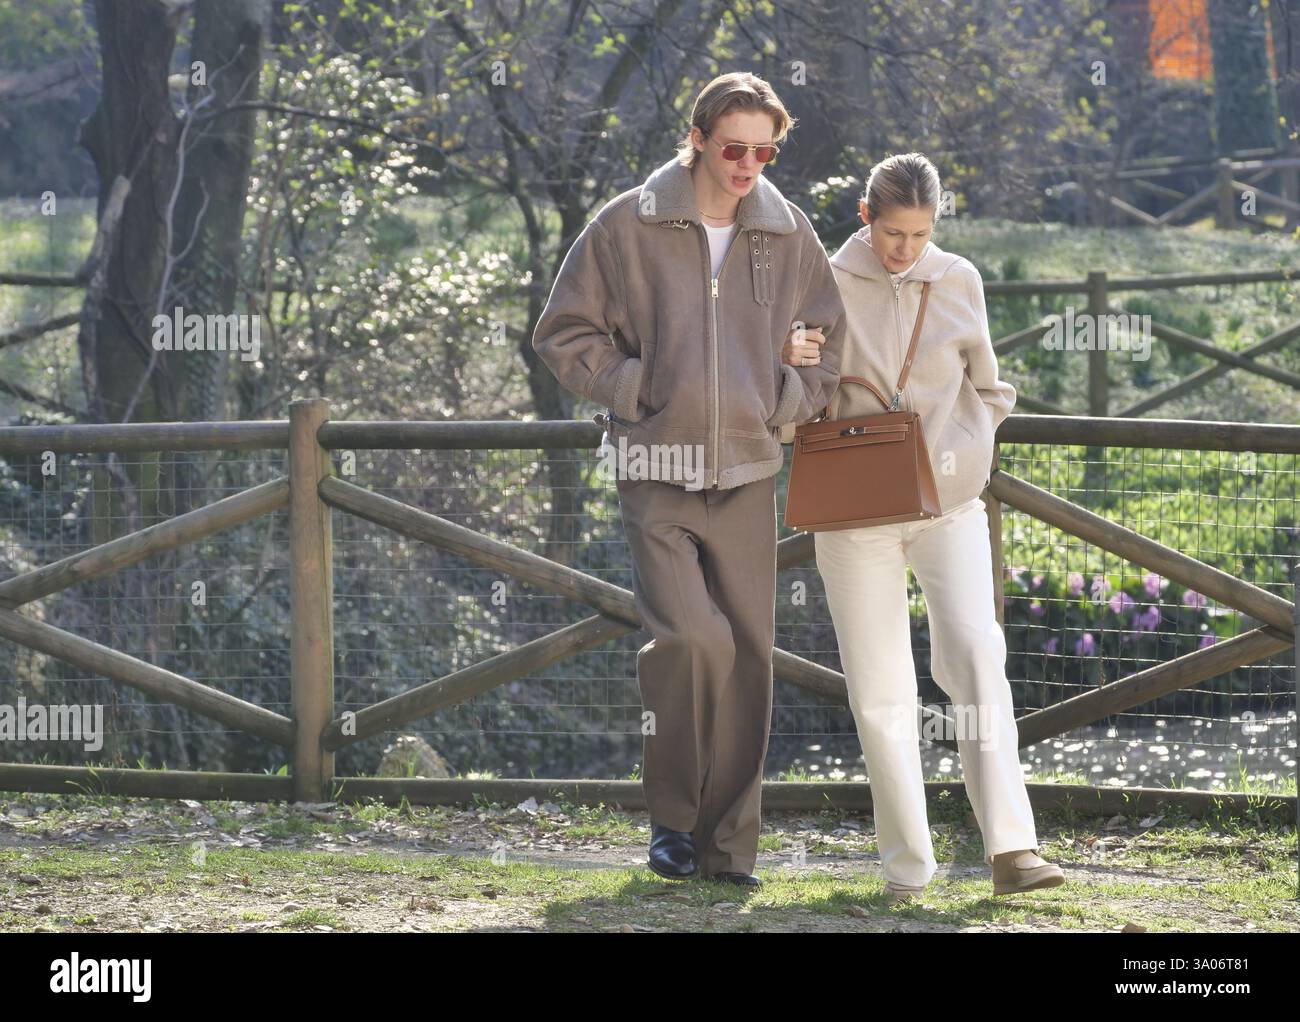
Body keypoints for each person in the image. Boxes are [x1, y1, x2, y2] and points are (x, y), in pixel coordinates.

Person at [532, 72, 846, 887]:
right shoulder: (626, 223)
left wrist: (788, 399)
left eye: (764, 150)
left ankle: (728, 846)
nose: (749, 165)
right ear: (699, 138)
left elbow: (828, 338)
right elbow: (563, 333)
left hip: (748, 471)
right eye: (735, 148)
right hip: (655, 466)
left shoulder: (788, 231)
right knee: (689, 641)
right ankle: (672, 822)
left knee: (749, 659)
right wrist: (634, 390)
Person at [785, 152, 1065, 900]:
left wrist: (967, 454)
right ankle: (908, 868)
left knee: (976, 657)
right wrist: (792, 363)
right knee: (880, 690)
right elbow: (793, 396)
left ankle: (1013, 851)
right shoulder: (822, 279)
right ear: (865, 216)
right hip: (853, 513)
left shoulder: (959, 279)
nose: (905, 248)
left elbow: (990, 387)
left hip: (948, 508)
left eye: (920, 232)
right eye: (893, 231)